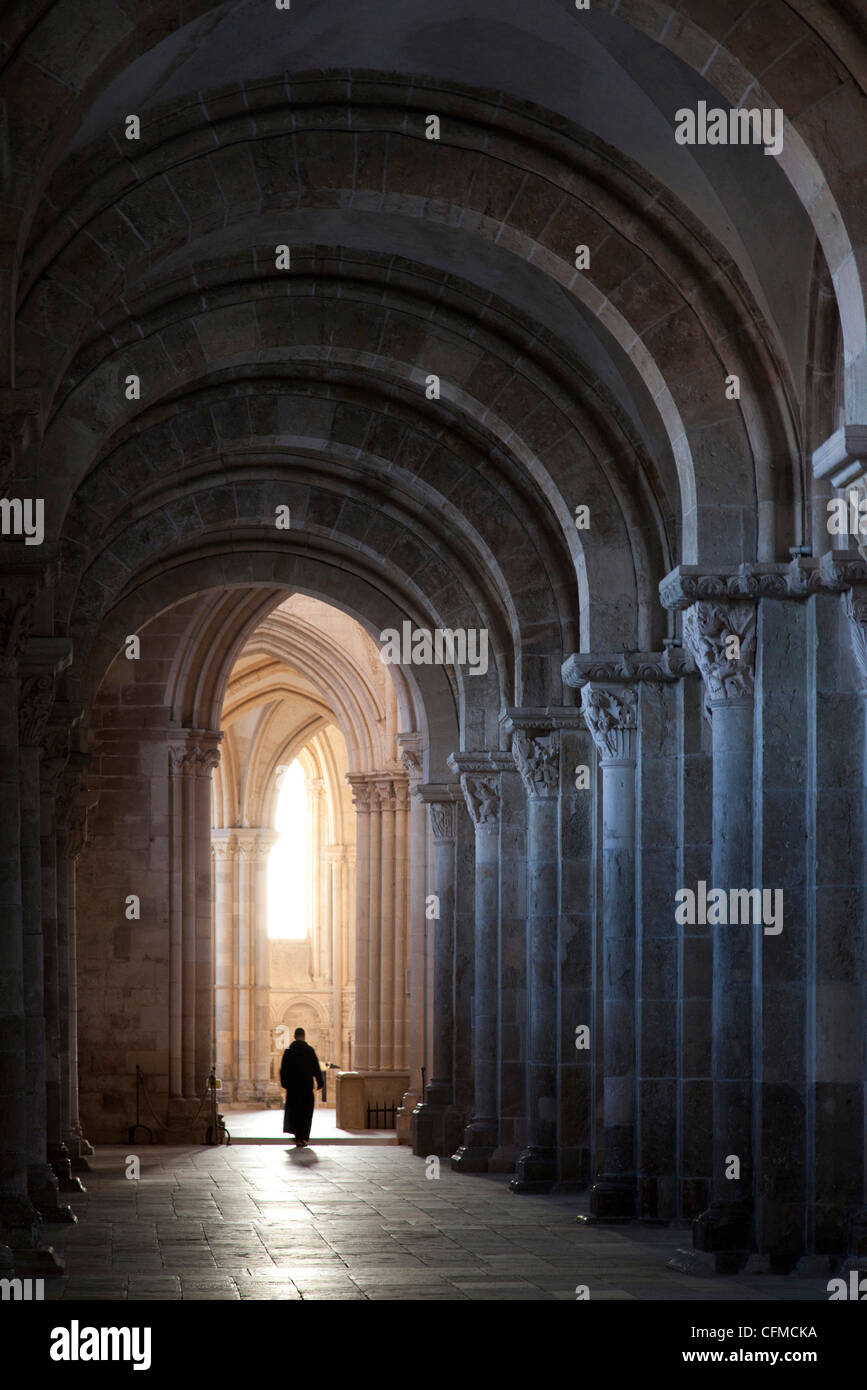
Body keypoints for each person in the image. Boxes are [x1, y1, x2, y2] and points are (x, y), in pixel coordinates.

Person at [279, 1027, 324, 1147]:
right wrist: (320, 1082)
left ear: (294, 1036)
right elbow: (316, 1067)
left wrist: (285, 1084)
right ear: (304, 1036)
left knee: (295, 1113)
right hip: (306, 1088)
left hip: (293, 1088)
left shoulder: (289, 1050)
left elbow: (283, 1069)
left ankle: (297, 1137)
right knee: (306, 1113)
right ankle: (303, 1138)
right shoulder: (309, 1050)